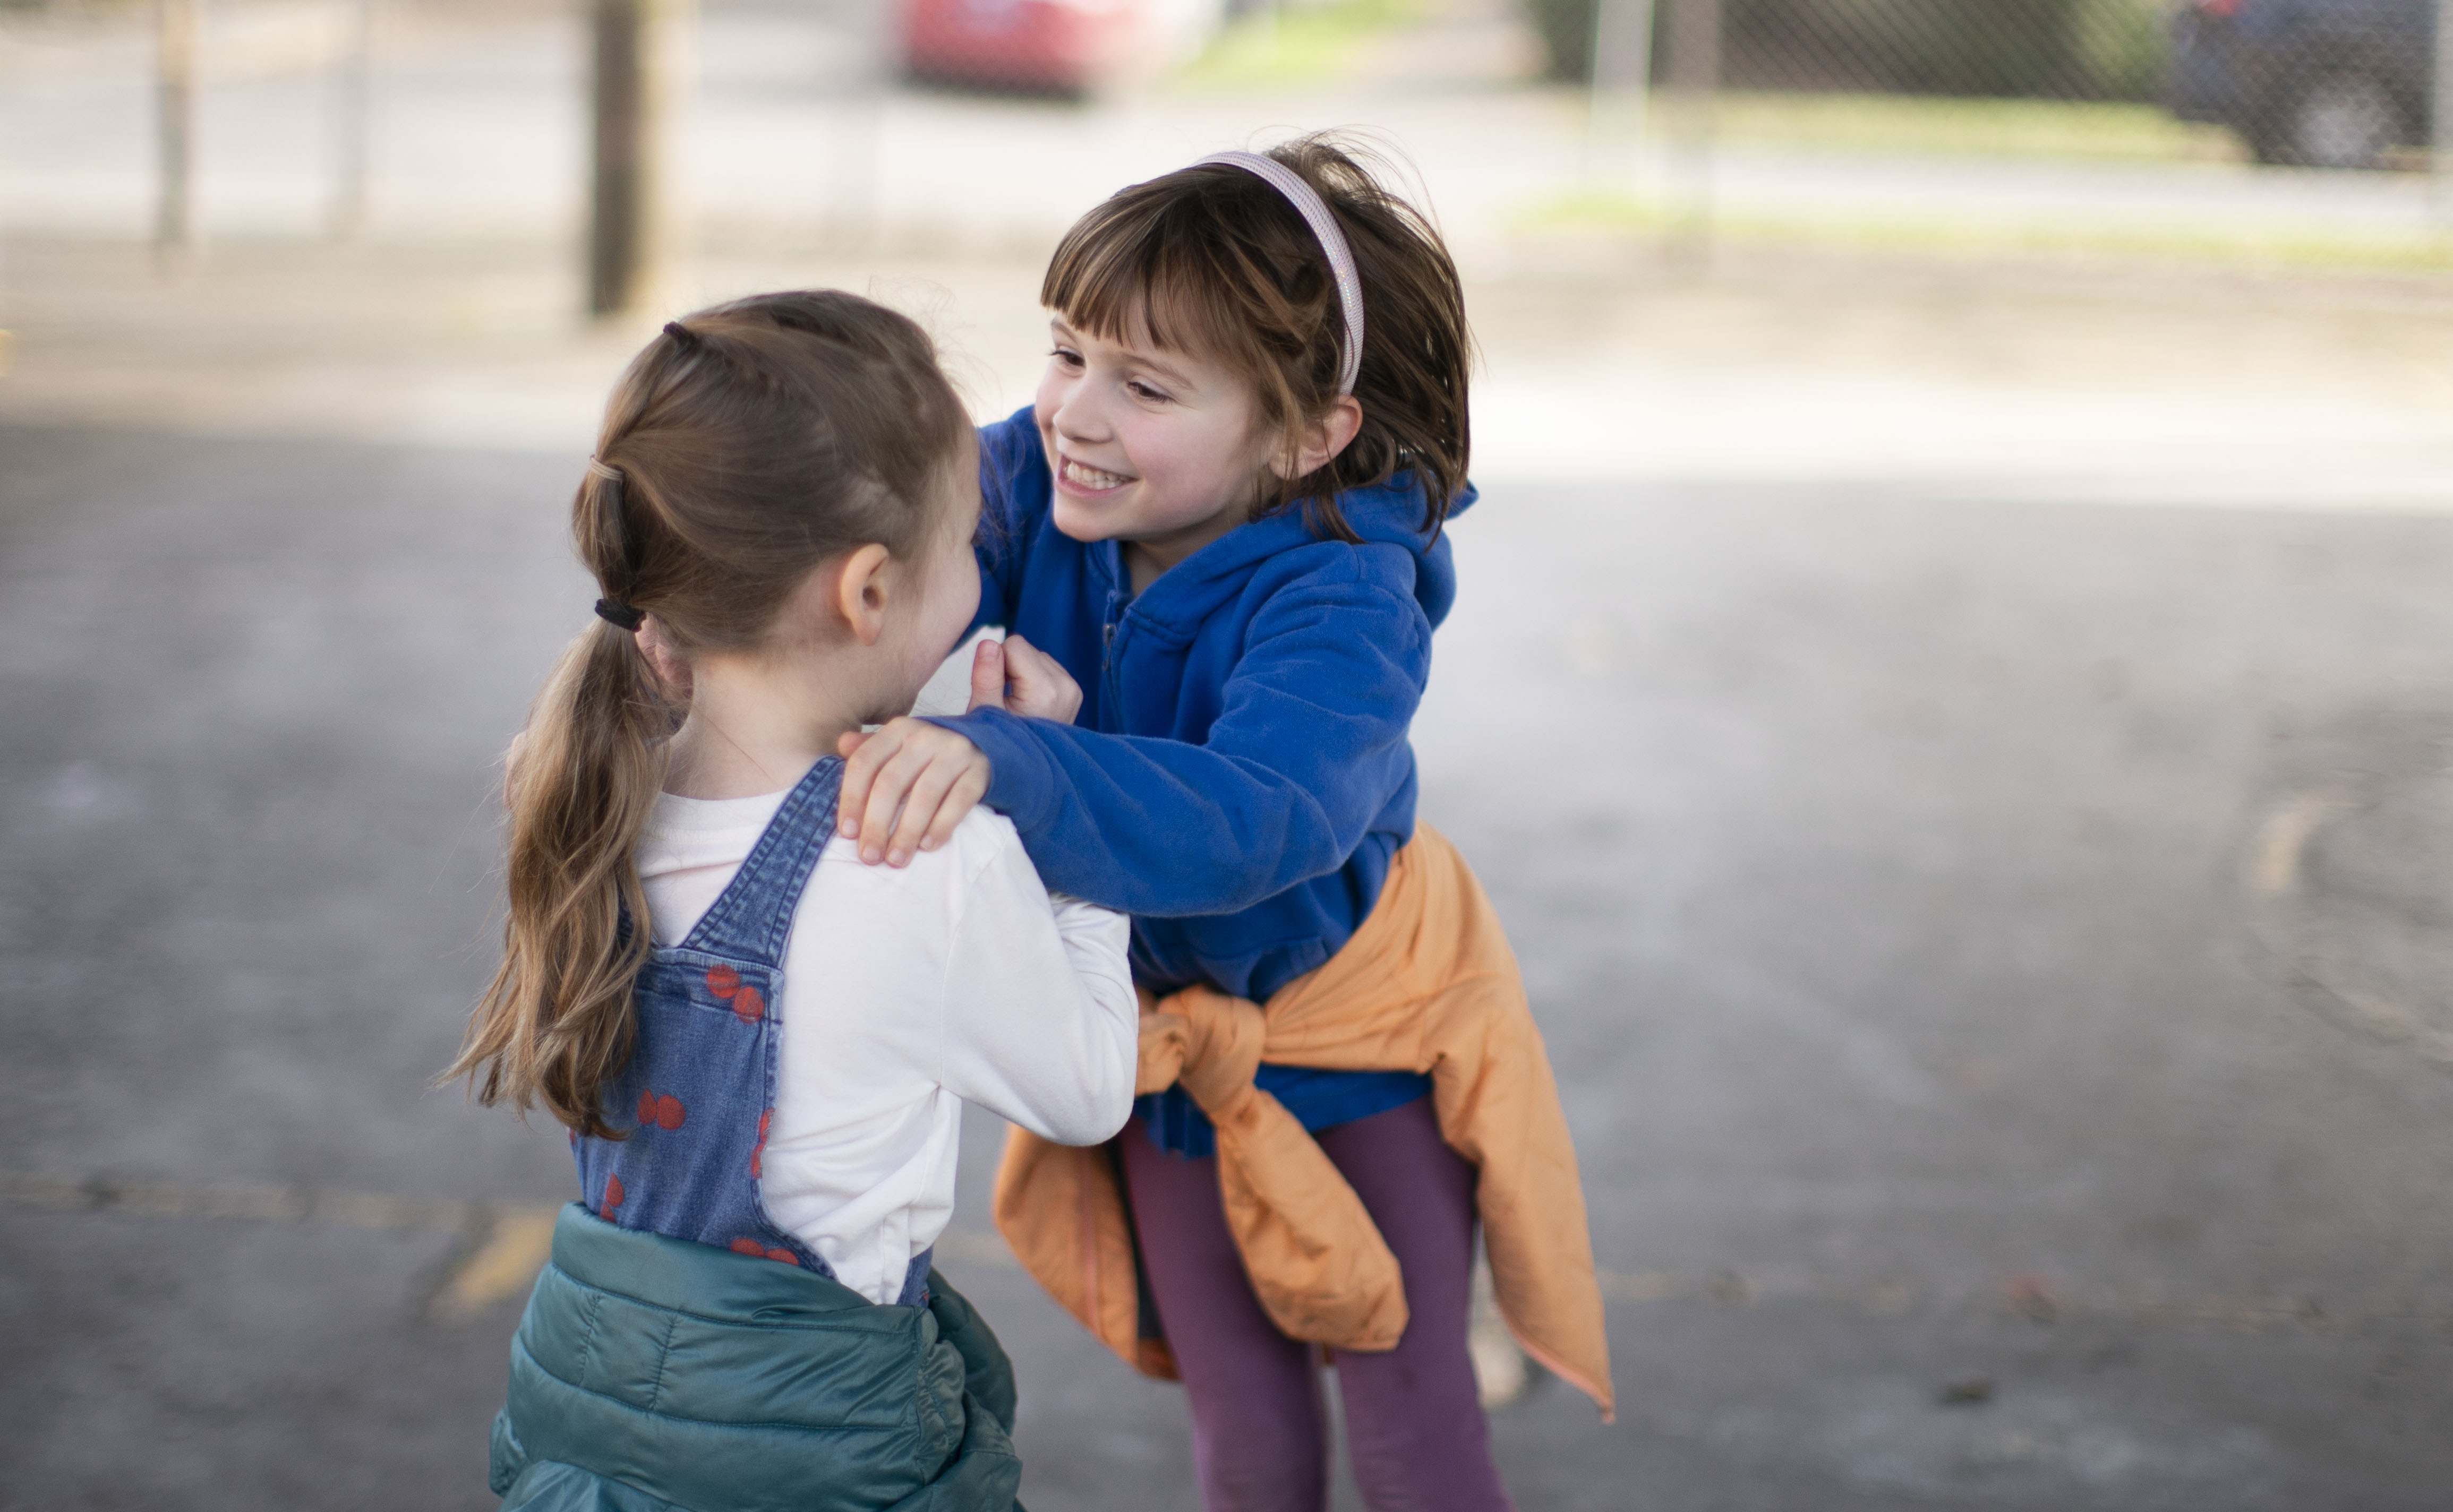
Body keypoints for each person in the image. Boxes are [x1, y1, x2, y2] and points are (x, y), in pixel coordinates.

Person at [829, 138, 1614, 1512]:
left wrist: (1012, 761)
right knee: (1244, 1433)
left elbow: (1266, 818)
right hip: (1162, 1053)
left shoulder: (1343, 599)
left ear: (1311, 433)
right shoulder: (1029, 485)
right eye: (1066, 351)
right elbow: (872, 533)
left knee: (1413, 1431)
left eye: (1144, 385)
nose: (1075, 409)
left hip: (1360, 1048)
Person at [444, 291, 1140, 1512]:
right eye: (970, 542)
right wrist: (1065, 818)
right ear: (870, 592)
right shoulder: (923, 850)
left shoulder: (586, 798)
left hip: (588, 1421)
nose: (985, 567)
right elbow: (1084, 1090)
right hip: (812, 1447)